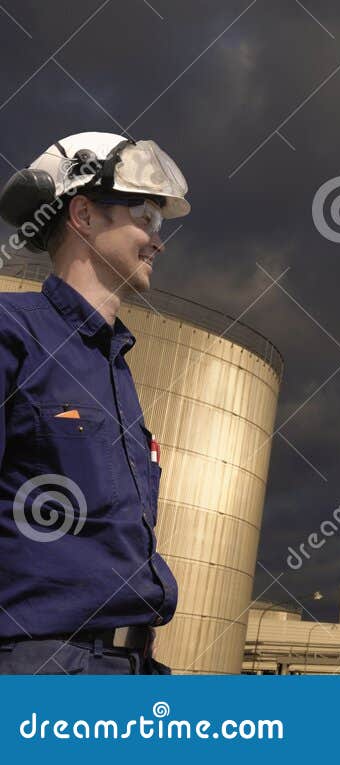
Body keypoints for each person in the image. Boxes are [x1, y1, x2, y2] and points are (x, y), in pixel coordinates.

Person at [0, 132, 191, 674]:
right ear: (83, 213)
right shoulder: (12, 333)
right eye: (145, 217)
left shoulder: (115, 369)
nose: (158, 239)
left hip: (125, 666)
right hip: (40, 668)